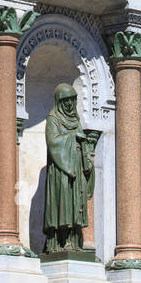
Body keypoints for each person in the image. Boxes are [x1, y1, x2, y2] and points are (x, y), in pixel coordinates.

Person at [43, 83, 92, 253]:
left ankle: (74, 240)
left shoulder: (76, 120)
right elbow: (53, 143)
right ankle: (59, 242)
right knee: (62, 204)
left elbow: (83, 142)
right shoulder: (53, 119)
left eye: (72, 99)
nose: (70, 104)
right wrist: (73, 138)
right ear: (59, 101)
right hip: (61, 170)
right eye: (66, 100)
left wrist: (86, 159)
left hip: (76, 167)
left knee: (76, 203)